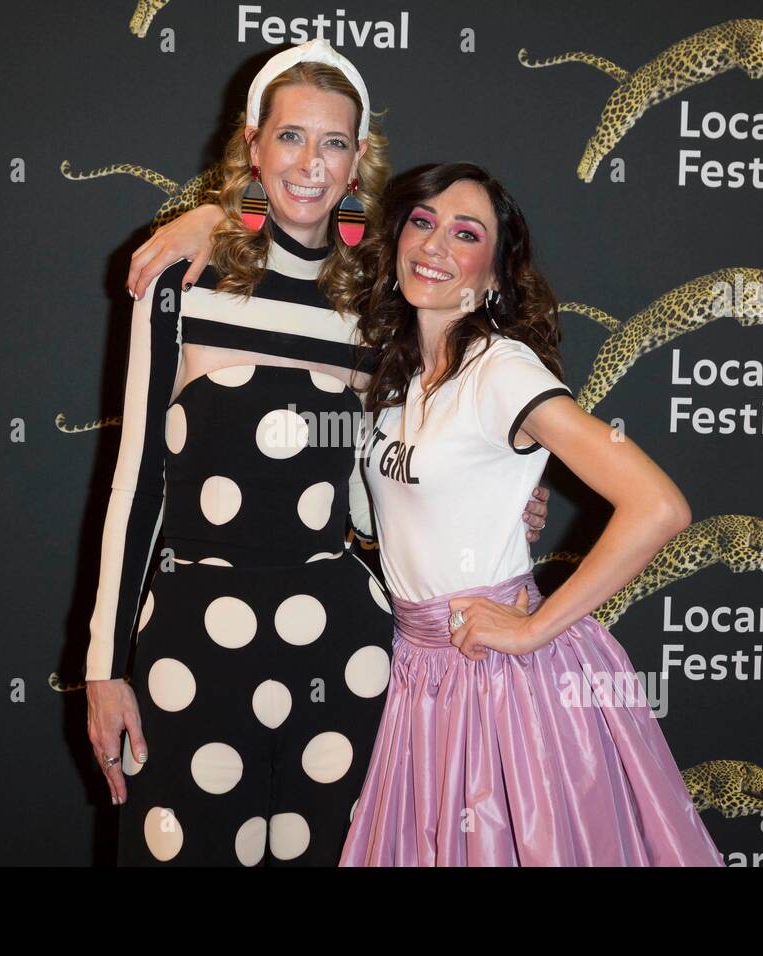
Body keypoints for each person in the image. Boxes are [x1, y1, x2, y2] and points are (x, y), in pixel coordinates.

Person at [83, 40, 549, 866]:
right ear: (252, 145)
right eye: (290, 137)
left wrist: (500, 501)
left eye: (334, 143)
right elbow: (136, 484)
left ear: (358, 160)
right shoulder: (183, 278)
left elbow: (389, 482)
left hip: (345, 642)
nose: (310, 163)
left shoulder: (379, 305)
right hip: (194, 638)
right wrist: (104, 664)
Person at [338, 162, 726, 866]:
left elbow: (659, 506)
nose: (435, 246)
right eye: (422, 223)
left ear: (491, 274)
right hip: (421, 675)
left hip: (500, 684)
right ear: (395, 241)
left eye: (466, 233)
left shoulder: (500, 369)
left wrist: (536, 627)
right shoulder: (398, 383)